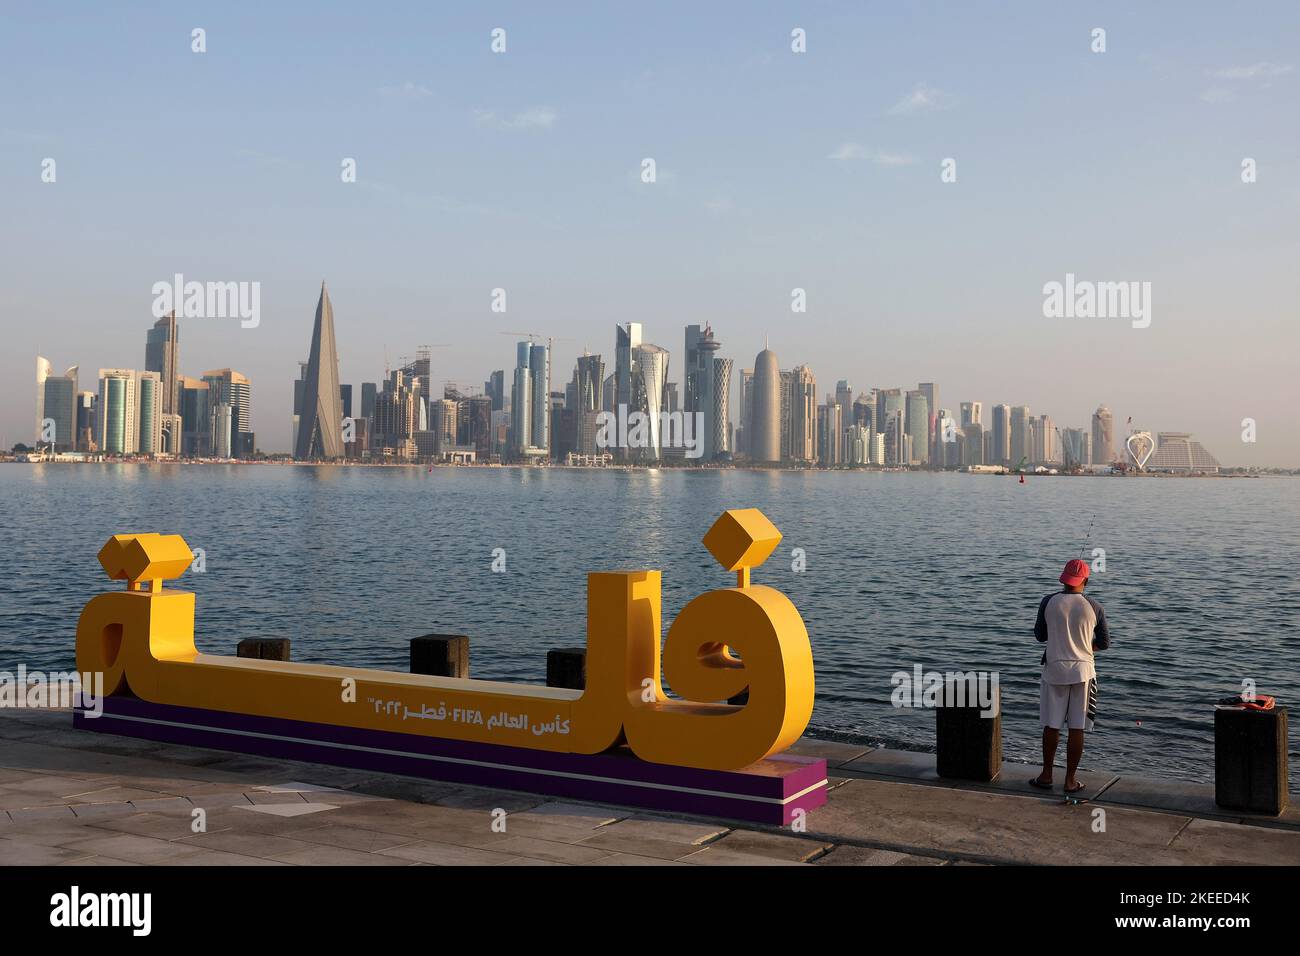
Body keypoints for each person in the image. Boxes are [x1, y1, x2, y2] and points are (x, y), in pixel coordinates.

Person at [1030, 558, 1110, 794]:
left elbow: (1040, 636)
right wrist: (1086, 646)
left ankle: (1046, 775)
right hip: (1084, 672)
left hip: (1054, 668)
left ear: (1063, 578)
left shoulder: (1048, 601)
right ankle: (1070, 781)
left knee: (1051, 725)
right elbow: (1104, 643)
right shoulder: (1094, 606)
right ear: (1086, 580)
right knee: (1077, 727)